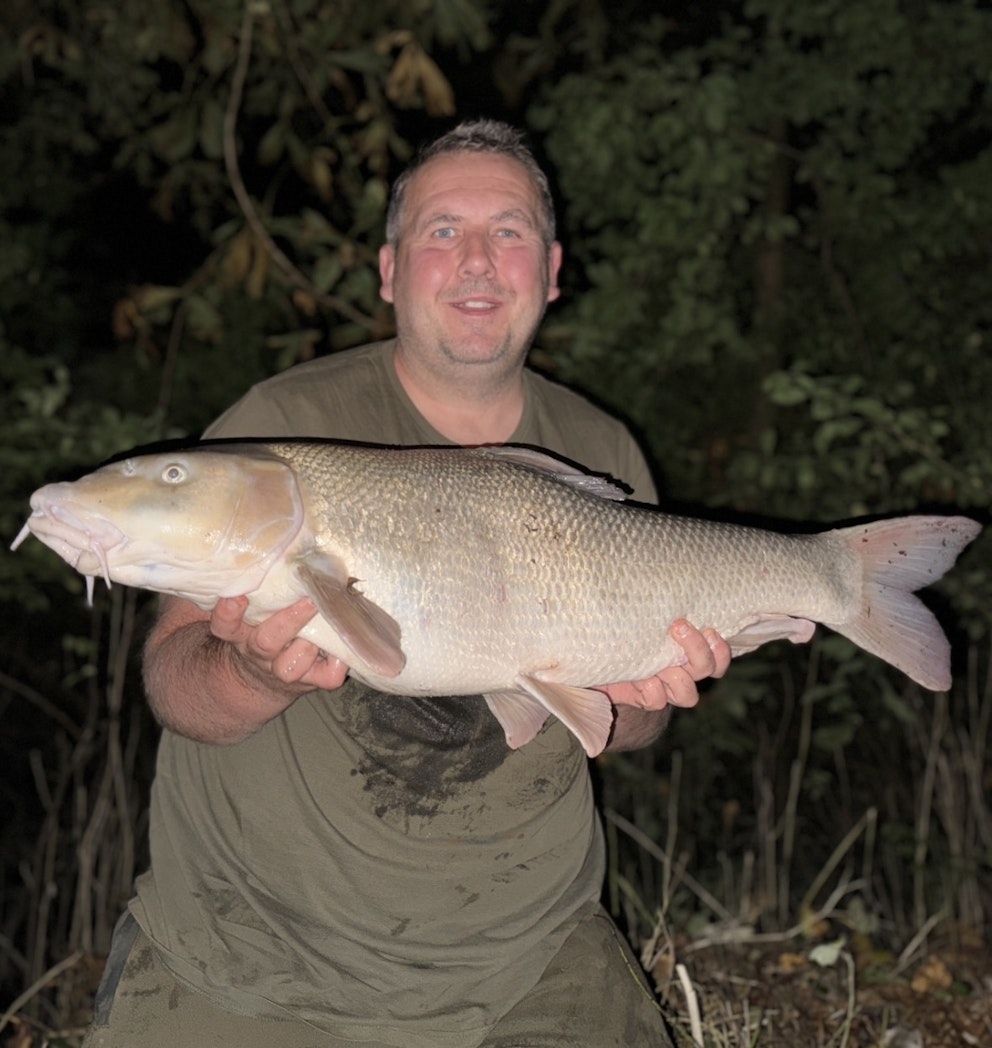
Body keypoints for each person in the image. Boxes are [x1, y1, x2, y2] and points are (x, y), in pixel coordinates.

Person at [84, 119, 730, 1048]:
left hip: (525, 953)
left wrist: (643, 701)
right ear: (389, 272)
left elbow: (628, 723)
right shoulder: (278, 429)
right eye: (441, 232)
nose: (475, 260)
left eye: (508, 231)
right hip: (255, 950)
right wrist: (253, 676)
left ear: (550, 272)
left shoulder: (602, 450)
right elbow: (175, 683)